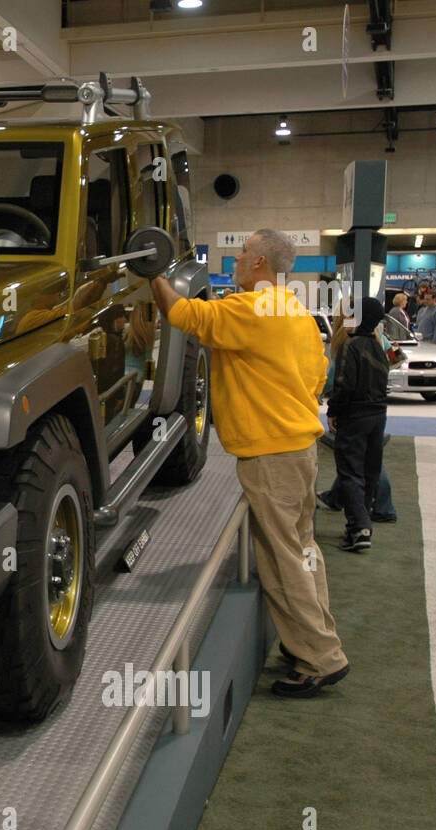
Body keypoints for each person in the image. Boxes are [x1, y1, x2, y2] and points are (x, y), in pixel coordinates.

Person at [151, 229, 349, 698]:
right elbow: (318, 377)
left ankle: (320, 658)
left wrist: (153, 271)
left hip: (270, 456)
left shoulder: (250, 308)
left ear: (259, 262)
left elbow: (183, 314)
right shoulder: (296, 314)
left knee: (282, 559)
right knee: (302, 550)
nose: (235, 260)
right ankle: (312, 640)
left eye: (241, 253)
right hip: (299, 449)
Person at [318, 310, 398, 523]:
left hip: (356, 410)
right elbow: (395, 359)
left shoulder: (347, 341)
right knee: (364, 460)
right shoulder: (379, 338)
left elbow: (338, 378)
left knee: (354, 462)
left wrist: (331, 406)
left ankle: (377, 510)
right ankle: (336, 498)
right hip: (377, 407)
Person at [327, 297, 390, 552]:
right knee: (369, 472)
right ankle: (360, 526)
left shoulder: (350, 347)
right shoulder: (379, 347)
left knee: (350, 472)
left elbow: (343, 384)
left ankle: (360, 527)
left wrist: (333, 411)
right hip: (379, 415)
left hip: (354, 417)